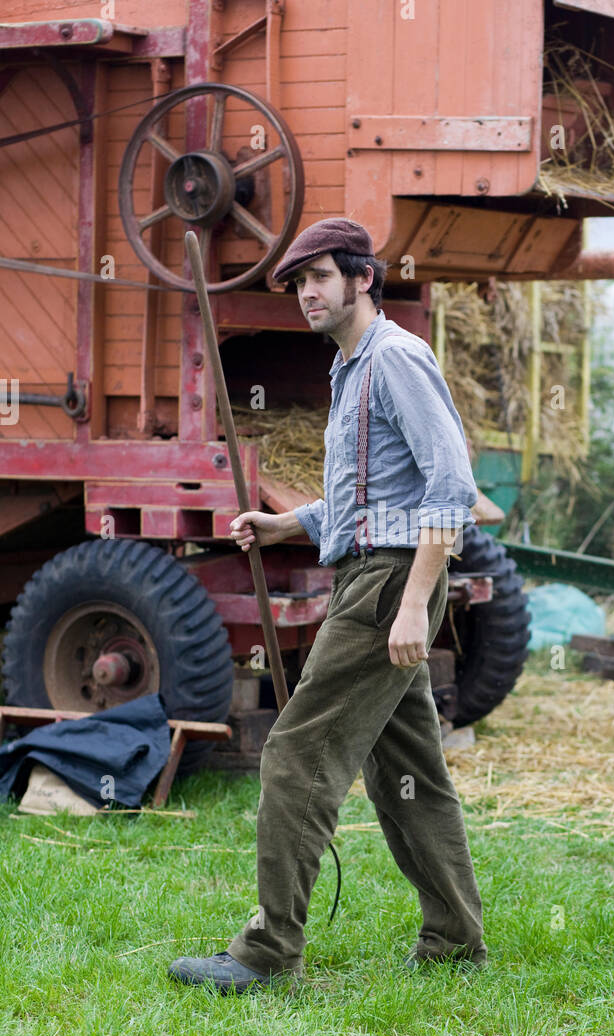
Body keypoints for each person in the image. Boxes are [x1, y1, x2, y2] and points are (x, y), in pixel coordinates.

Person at [168, 218, 487, 994]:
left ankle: (267, 953)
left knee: (295, 752)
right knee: (407, 769)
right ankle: (454, 939)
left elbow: (450, 490)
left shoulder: (397, 359)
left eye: (319, 277)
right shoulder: (351, 368)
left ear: (362, 279)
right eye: (297, 282)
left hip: (387, 585)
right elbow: (371, 496)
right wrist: (288, 522)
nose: (306, 292)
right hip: (370, 572)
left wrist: (414, 605)